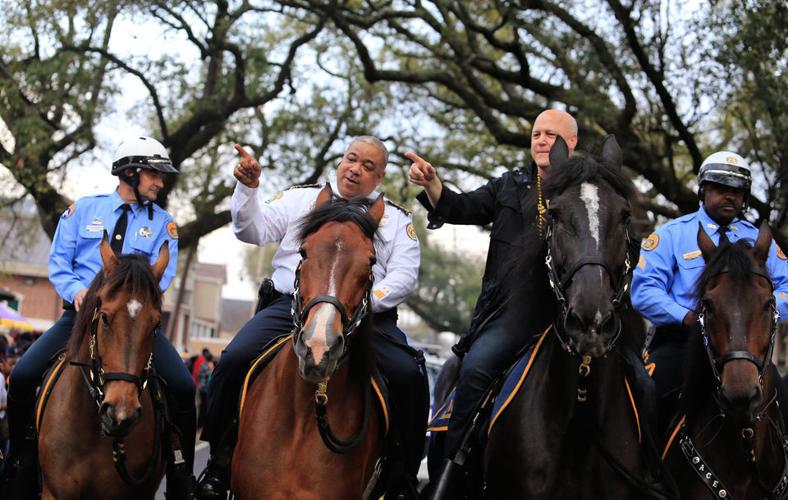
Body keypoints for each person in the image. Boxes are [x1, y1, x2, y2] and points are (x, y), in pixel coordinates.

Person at [195, 137, 429, 499]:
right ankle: (220, 461)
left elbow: (403, 275)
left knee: (408, 375)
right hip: (291, 307)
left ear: (380, 177)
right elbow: (250, 230)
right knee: (235, 359)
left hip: (366, 315)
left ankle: (401, 478)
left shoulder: (396, 220)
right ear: (341, 161)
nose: (356, 169)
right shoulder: (300, 199)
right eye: (352, 159)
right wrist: (248, 187)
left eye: (368, 166)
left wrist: (363, 301)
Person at [1, 136, 196, 499]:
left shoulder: (164, 224)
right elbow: (59, 263)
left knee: (183, 387)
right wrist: (77, 292)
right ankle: (21, 460)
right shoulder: (83, 211)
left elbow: (161, 276)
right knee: (24, 376)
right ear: (130, 172)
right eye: (154, 174)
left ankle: (180, 471)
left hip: (134, 324)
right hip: (79, 318)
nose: (160, 182)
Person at [407, 109, 578, 467]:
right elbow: (462, 207)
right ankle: (450, 475)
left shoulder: (586, 191)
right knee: (473, 371)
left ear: (571, 143)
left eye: (551, 135)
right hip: (509, 316)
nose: (542, 140)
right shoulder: (509, 185)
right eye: (536, 135)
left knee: (637, 381)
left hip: (571, 320)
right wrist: (432, 184)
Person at [631, 150, 788, 432]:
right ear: (703, 190)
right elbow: (644, 291)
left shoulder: (760, 240)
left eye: (737, 191)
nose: (730, 196)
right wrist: (686, 316)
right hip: (681, 342)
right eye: (720, 188)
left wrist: (761, 310)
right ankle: (646, 472)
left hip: (747, 347)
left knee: (784, 398)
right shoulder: (671, 235)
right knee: (645, 390)